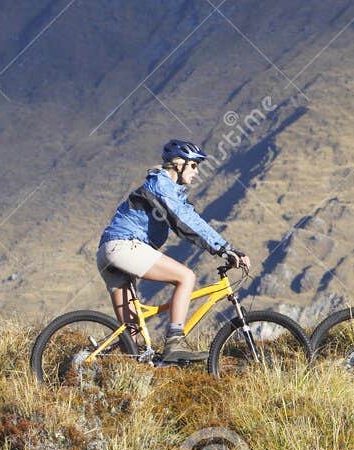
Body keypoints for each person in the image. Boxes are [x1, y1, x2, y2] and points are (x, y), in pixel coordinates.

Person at [97, 139, 250, 363]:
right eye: (194, 165)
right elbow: (184, 222)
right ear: (179, 164)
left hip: (108, 252)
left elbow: (192, 221)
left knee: (134, 341)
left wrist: (225, 247)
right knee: (186, 277)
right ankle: (175, 342)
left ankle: (93, 368)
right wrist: (225, 249)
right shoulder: (162, 185)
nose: (197, 171)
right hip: (123, 246)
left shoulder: (170, 192)